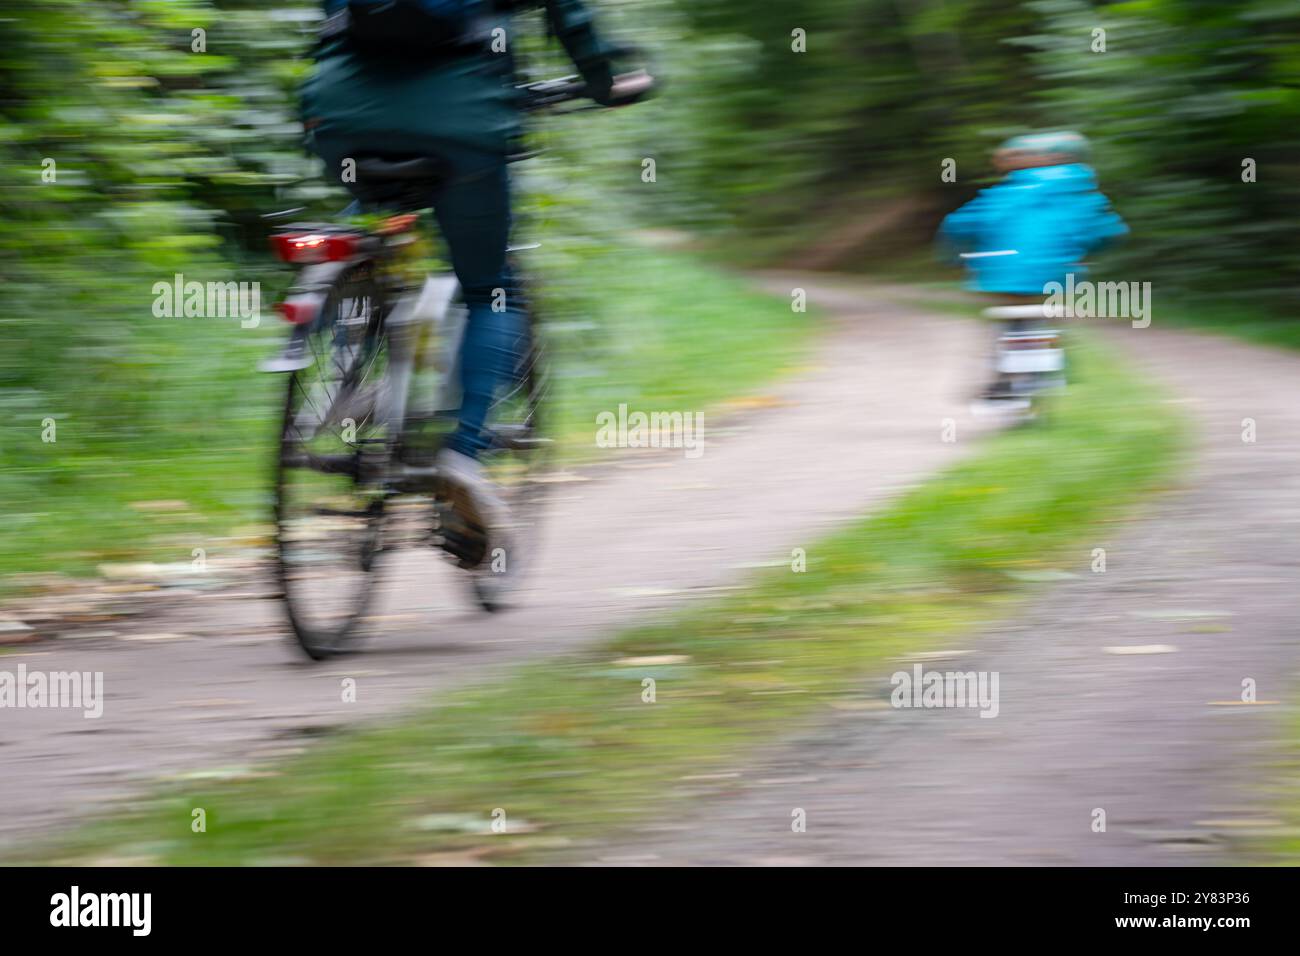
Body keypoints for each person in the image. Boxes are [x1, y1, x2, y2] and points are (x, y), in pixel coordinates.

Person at [300, 0, 651, 560]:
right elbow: (569, 15)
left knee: (370, 222)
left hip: (340, 113)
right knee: (491, 289)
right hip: (462, 120)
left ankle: (342, 374)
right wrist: (605, 82)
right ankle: (461, 456)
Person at [939, 131, 1127, 399]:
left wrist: (954, 257)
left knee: (1006, 321)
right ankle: (1051, 367)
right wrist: (1088, 250)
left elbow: (958, 224)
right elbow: (1109, 231)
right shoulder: (1082, 193)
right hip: (1056, 276)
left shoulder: (1007, 191)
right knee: (1046, 317)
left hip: (1000, 276)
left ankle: (1001, 379)